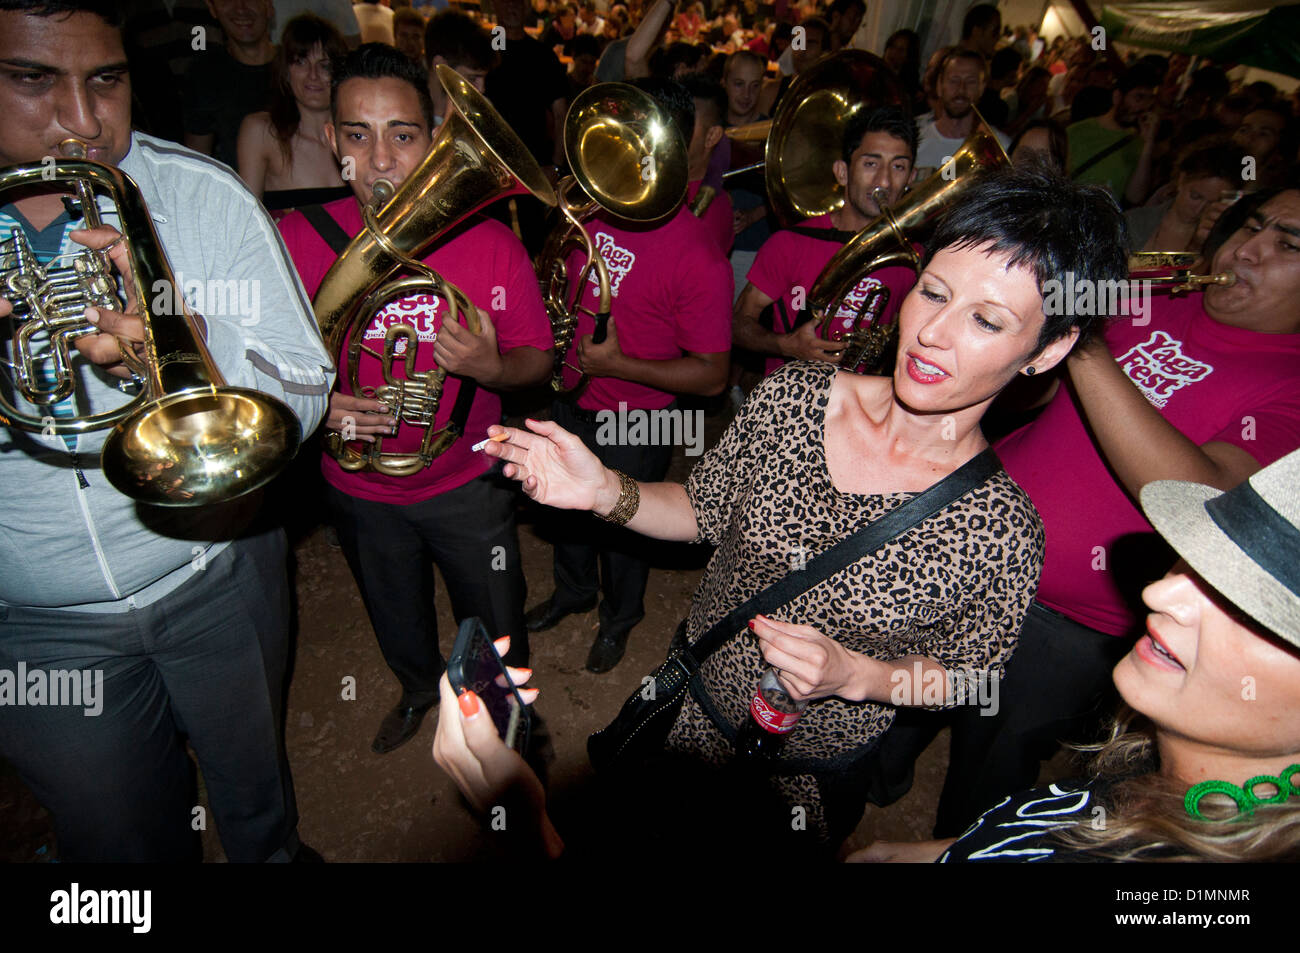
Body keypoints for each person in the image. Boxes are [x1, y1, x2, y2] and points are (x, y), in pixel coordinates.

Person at [436, 161, 1130, 853]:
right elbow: (701, 512)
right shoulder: (796, 397)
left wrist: (860, 675)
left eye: (986, 319)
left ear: (1048, 348)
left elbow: (968, 674)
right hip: (685, 719)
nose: (933, 333)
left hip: (802, 782)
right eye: (933, 291)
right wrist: (602, 491)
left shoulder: (1002, 528)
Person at [0, 0, 333, 862]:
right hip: (35, 618)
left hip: (217, 563)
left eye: (105, 80)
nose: (83, 119)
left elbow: (305, 381)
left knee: (259, 805)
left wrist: (185, 355)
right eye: (33, 80)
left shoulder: (198, 194)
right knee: (121, 846)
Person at [883, 185, 1300, 839]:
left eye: (1286, 244)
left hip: (1069, 620)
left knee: (991, 758)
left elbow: (1205, 494)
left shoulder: (1291, 387)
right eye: (1252, 226)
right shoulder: (1162, 293)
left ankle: (967, 850)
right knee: (895, 683)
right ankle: (884, 770)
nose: (1249, 250)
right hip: (965, 535)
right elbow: (1032, 393)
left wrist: (1084, 341)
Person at [276, 44, 553, 754]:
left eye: (402, 134)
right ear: (331, 140)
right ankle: (414, 688)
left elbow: (538, 363)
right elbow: (259, 364)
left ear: (432, 139)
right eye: (358, 135)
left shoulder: (490, 243)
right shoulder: (293, 238)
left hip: (468, 483)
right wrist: (314, 401)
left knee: (494, 614)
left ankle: (505, 721)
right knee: (392, 611)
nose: (381, 159)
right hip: (358, 487)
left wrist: (492, 366)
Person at [856, 447, 1300, 863]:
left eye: (1244, 605)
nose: (1160, 592)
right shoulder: (1168, 780)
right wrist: (950, 851)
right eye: (1197, 559)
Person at [523, 79, 733, 676]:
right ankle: (572, 593)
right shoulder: (588, 210)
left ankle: (620, 620)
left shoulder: (697, 254)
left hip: (636, 417)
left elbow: (714, 378)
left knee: (622, 526)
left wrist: (618, 365)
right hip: (568, 394)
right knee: (562, 508)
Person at [732, 106, 919, 377]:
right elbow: (738, 324)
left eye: (898, 167)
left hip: (865, 405)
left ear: (911, 178)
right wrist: (786, 345)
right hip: (792, 398)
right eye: (871, 164)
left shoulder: (911, 255)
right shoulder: (791, 244)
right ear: (842, 172)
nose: (884, 181)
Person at [237, 13, 351, 217]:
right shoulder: (261, 132)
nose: (313, 74)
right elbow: (245, 223)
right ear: (286, 71)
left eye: (324, 65)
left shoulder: (359, 137)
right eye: (300, 62)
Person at [183, 0, 276, 169]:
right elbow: (197, 159)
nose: (241, 8)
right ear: (212, 8)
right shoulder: (204, 74)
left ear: (269, 5)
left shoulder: (300, 69)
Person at [1065, 63, 1162, 207]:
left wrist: (1148, 144)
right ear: (1117, 97)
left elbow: (1135, 196)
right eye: (1139, 98)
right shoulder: (1077, 131)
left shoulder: (1138, 145)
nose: (1144, 107)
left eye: (1150, 100)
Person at [1125, 140, 1245, 253]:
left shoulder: (1221, 244)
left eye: (1213, 203)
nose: (1199, 210)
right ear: (1181, 180)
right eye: (1195, 196)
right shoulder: (1133, 221)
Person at [914, 48, 1010, 178]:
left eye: (970, 82)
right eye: (954, 80)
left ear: (981, 88)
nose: (961, 89)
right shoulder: (914, 140)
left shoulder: (999, 147)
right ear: (939, 86)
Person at [422, 9, 495, 125]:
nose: (481, 89)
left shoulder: (483, 111)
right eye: (472, 78)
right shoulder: (409, 111)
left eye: (483, 78)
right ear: (440, 66)